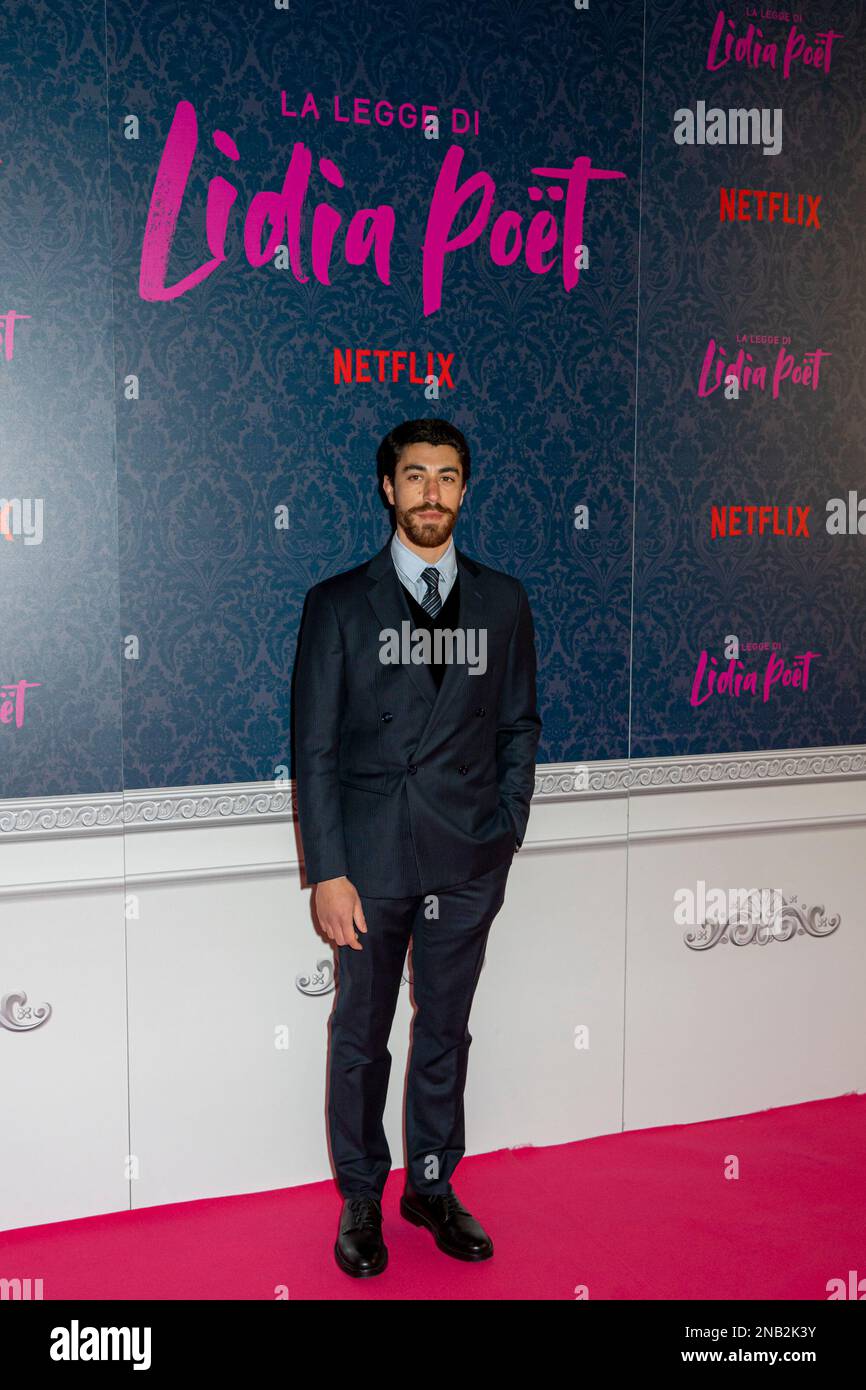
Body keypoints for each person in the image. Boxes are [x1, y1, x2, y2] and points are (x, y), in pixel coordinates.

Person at [293, 417, 541, 1277]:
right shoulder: (335, 603)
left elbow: (518, 726)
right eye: (414, 476)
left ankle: (431, 1186)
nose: (431, 491)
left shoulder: (504, 601)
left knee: (446, 1031)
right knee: (361, 1034)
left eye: (447, 477)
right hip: (368, 864)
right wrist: (326, 869)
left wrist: (506, 832)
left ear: (464, 491)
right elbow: (314, 749)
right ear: (387, 489)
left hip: (468, 856)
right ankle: (363, 1193)